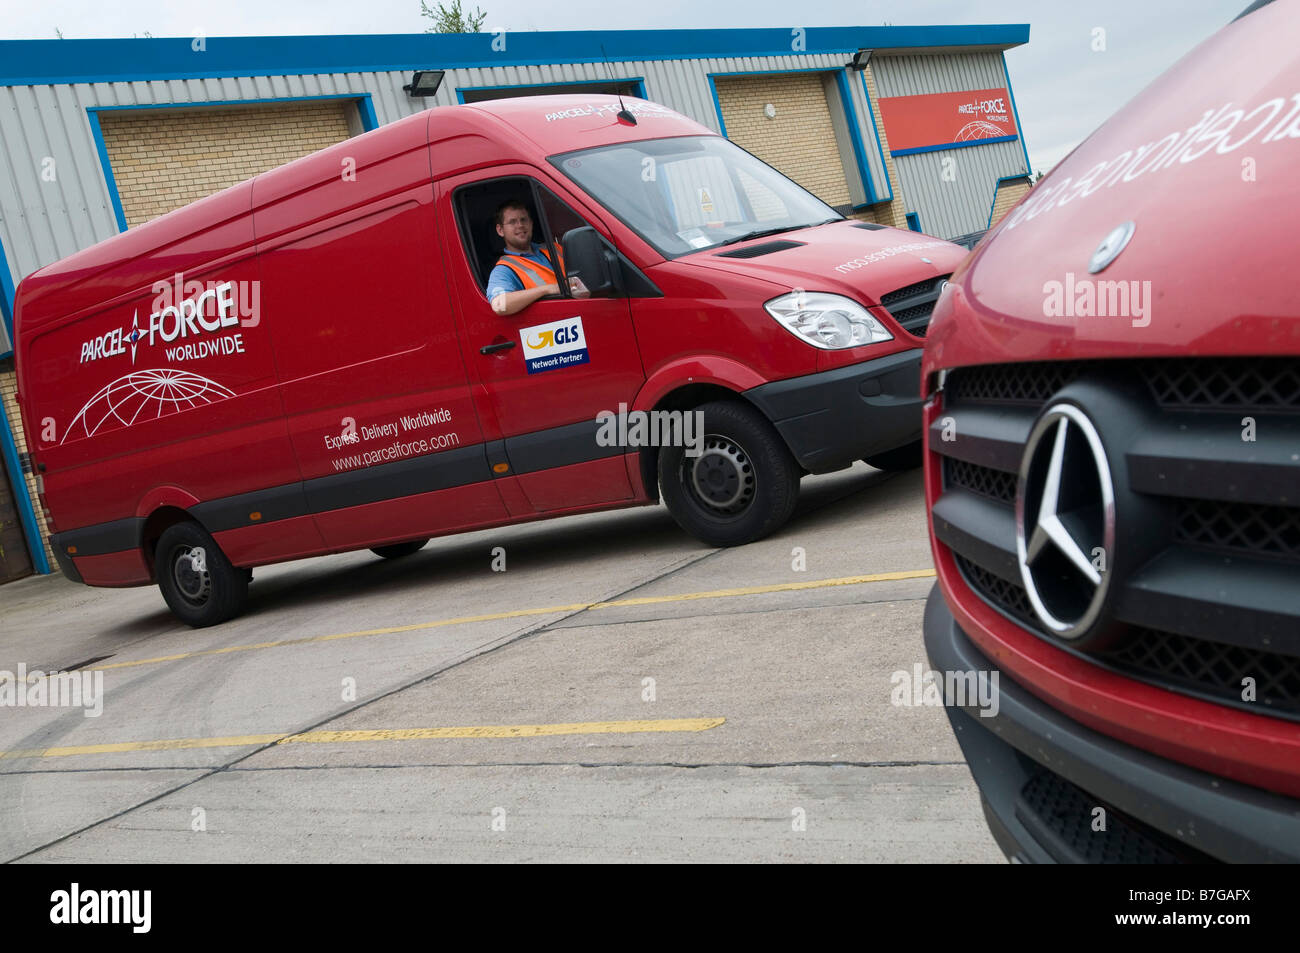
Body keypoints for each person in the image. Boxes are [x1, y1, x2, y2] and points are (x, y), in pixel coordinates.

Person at [486, 199, 588, 316]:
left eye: (524, 220)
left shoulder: (554, 248)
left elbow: (586, 275)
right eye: (512, 222)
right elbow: (500, 305)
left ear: (531, 223)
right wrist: (548, 289)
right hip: (555, 323)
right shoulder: (504, 269)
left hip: (583, 312)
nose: (520, 225)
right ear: (500, 230)